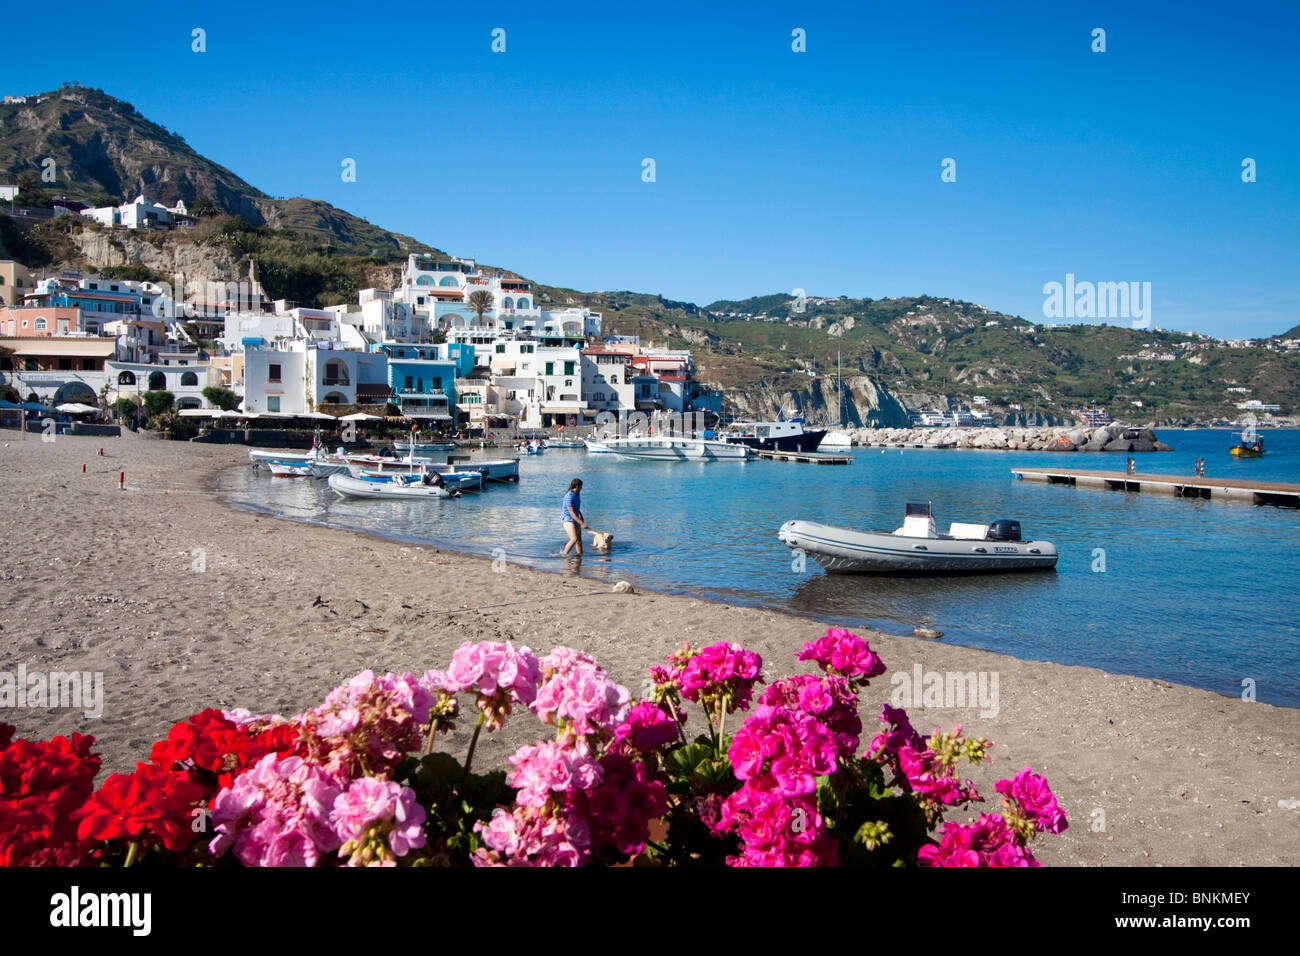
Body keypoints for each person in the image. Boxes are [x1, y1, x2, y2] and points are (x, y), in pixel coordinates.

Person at [562, 478, 587, 556]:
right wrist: (581, 523)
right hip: (568, 519)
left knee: (579, 541)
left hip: (576, 519)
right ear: (576, 486)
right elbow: (571, 512)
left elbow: (576, 508)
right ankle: (563, 555)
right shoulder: (569, 496)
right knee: (574, 539)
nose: (581, 488)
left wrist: (581, 516)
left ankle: (580, 557)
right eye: (581, 486)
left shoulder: (577, 494)